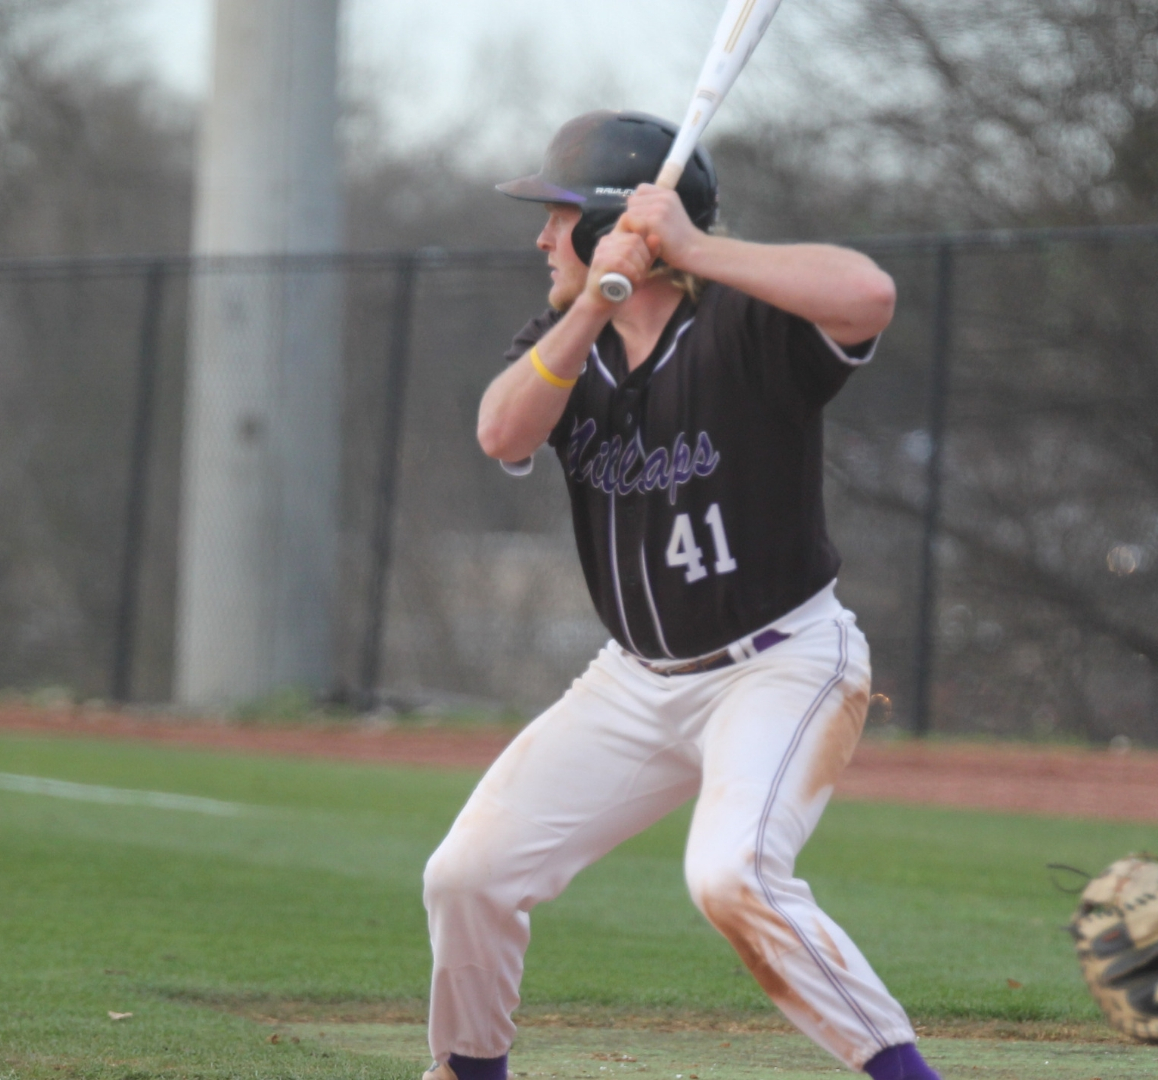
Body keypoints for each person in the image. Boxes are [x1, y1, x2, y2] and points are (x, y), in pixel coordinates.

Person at [421, 111, 940, 1080]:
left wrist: (697, 250)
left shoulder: (744, 328)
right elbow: (503, 433)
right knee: (467, 877)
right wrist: (592, 303)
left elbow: (869, 294)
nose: (542, 239)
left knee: (732, 875)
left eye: (559, 215)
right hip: (636, 682)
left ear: (623, 224)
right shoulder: (568, 342)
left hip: (781, 662)